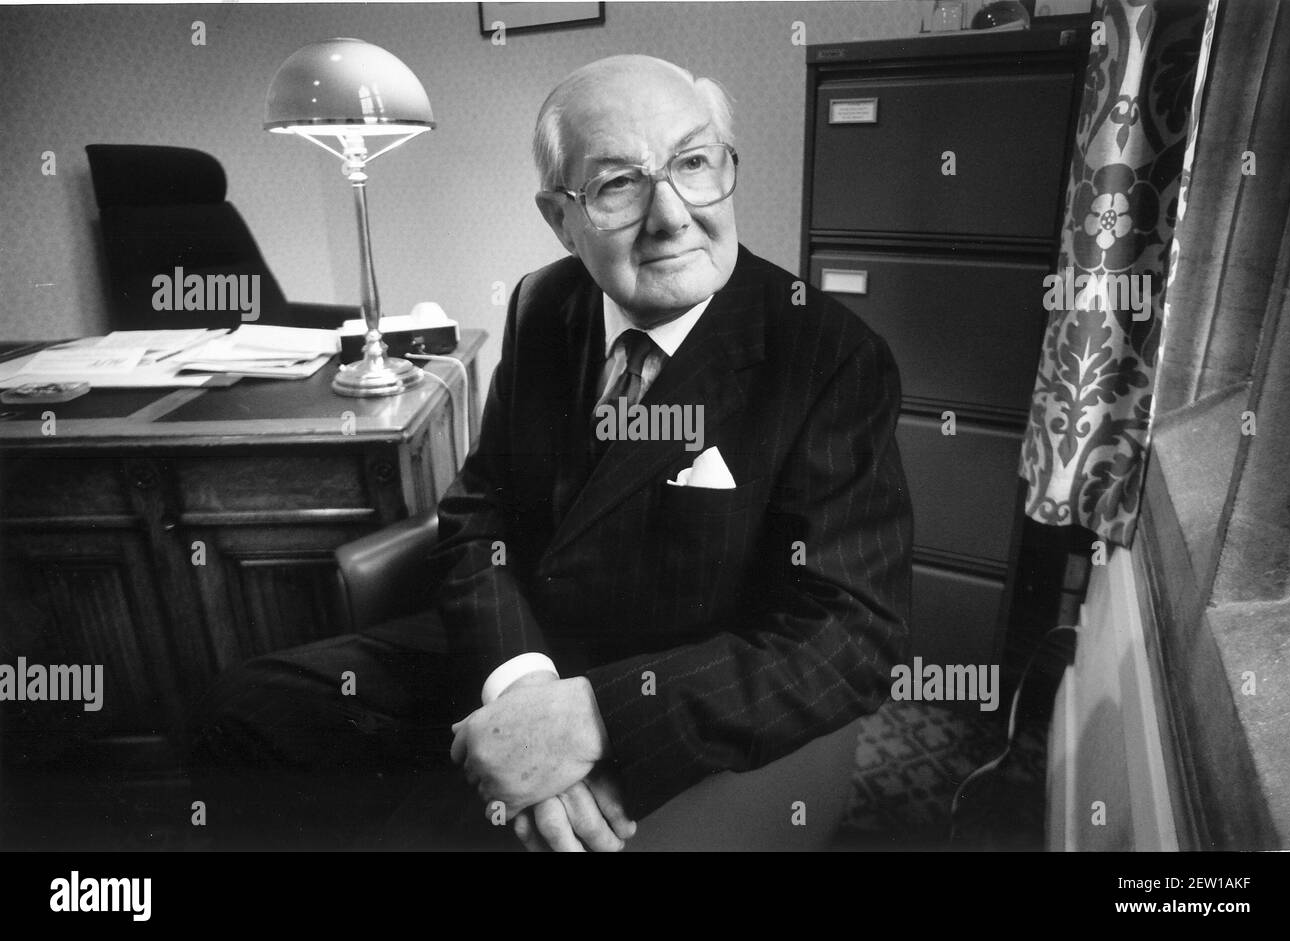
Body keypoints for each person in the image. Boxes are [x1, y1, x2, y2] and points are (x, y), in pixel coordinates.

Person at [190, 53, 912, 852]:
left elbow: (850, 633)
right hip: (514, 651)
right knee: (245, 706)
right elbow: (478, 511)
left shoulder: (828, 355)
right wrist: (521, 683)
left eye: (694, 163)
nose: (672, 215)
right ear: (559, 218)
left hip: (661, 695)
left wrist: (591, 721)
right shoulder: (542, 305)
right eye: (618, 185)